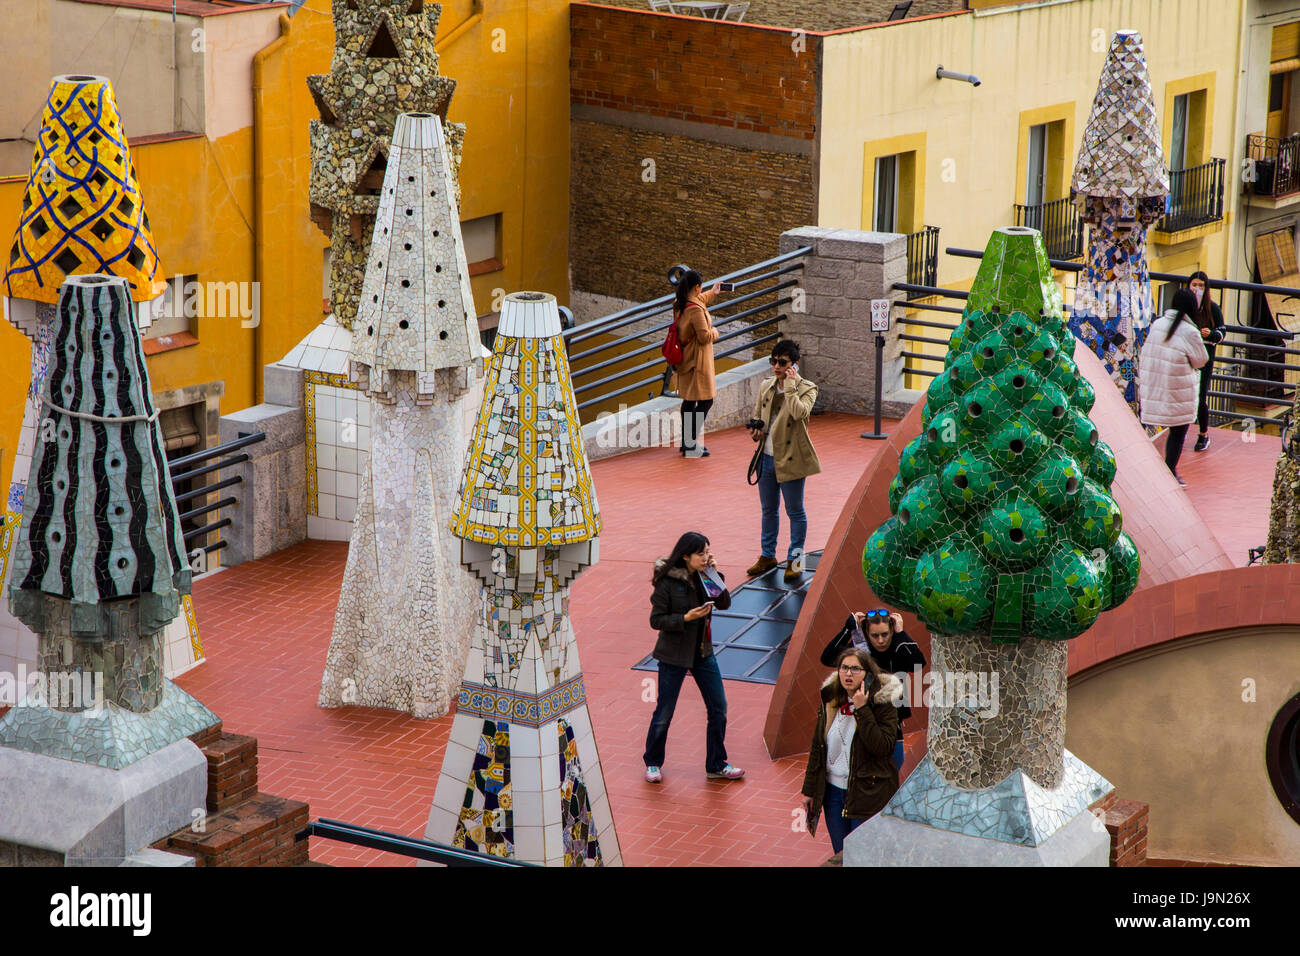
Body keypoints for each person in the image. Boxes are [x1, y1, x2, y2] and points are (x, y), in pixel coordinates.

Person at [645, 531, 745, 782]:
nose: (706, 557)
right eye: (701, 553)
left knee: (718, 707)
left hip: (703, 652)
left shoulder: (705, 577)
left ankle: (716, 764)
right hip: (673, 654)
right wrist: (685, 618)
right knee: (665, 711)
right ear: (686, 555)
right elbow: (656, 620)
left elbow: (723, 603)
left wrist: (713, 574)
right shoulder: (667, 581)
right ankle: (653, 763)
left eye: (708, 551)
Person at [799, 647, 902, 860]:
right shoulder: (831, 699)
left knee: (863, 857)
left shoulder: (883, 702)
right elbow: (818, 747)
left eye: (855, 669)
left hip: (867, 792)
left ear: (868, 673)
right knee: (842, 854)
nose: (848, 674)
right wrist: (809, 790)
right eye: (844, 668)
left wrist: (862, 709)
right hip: (833, 794)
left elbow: (883, 746)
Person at [746, 339, 821, 584]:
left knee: (795, 511)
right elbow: (758, 415)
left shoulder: (808, 388)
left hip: (791, 459)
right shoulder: (766, 385)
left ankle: (795, 560)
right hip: (765, 458)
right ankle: (767, 555)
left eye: (782, 362)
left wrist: (789, 386)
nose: (776, 366)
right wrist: (756, 430)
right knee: (768, 510)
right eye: (773, 361)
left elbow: (800, 413)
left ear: (793, 365)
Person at [820, 609, 925, 770]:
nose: (881, 640)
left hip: (891, 719)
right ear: (867, 634)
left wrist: (901, 634)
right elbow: (827, 658)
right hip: (862, 715)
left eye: (885, 634)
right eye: (875, 636)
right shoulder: (861, 652)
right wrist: (848, 628)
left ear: (891, 630)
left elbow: (918, 662)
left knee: (894, 770)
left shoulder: (898, 647)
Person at [1139, 287, 1207, 485]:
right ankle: (1170, 473)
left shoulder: (1158, 324)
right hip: (1178, 391)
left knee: (1149, 430)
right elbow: (1201, 360)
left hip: (1155, 388)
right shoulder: (1190, 332)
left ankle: (1152, 473)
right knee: (1177, 434)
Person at [674, 270, 722, 458]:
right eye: (701, 286)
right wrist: (716, 331)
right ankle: (690, 443)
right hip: (698, 362)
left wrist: (713, 292)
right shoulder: (695, 309)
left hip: (685, 359)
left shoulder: (680, 303)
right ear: (696, 286)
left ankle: (686, 443)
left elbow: (698, 299)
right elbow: (704, 337)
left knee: (689, 400)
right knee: (706, 400)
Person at [1187, 270, 1227, 452]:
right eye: (1194, 285)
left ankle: (1203, 434)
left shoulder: (1213, 308)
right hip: (1185, 356)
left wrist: (1210, 334)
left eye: (1201, 286)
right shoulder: (1185, 308)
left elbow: (1221, 332)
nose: (1197, 289)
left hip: (1204, 357)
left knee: (1201, 396)